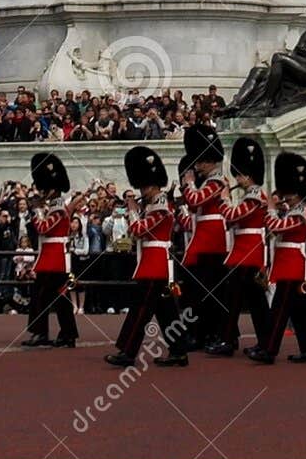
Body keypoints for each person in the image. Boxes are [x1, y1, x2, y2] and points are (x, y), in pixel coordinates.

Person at [106, 145, 187, 368]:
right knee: (166, 311)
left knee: (140, 309)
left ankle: (128, 351)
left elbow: (139, 230)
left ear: (152, 185)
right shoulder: (153, 204)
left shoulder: (161, 205)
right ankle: (179, 351)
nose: (141, 191)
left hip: (155, 263)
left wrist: (132, 210)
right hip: (152, 261)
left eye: (143, 187)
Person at [247, 152, 306, 364]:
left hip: (292, 266)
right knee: (299, 310)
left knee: (279, 310)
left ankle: (269, 350)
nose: (286, 197)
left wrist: (271, 209)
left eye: (290, 194)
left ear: (298, 193)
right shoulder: (295, 210)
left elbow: (276, 227)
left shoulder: (301, 213)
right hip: (288, 264)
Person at [206, 135, 270, 357]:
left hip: (248, 252)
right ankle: (262, 341)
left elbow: (233, 215)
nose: (237, 179)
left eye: (240, 175)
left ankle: (229, 340)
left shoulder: (255, 196)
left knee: (235, 298)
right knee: (252, 299)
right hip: (244, 251)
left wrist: (223, 198)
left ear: (248, 175)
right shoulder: (251, 195)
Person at [21, 152, 79, 348]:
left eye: (45, 189)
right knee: (59, 297)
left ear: (52, 190)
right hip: (51, 257)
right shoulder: (55, 206)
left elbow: (43, 228)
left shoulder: (58, 208)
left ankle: (42, 333)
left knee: (42, 296)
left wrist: (37, 209)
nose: (42, 193)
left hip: (54, 259)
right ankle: (67, 334)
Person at [179, 124, 229, 350]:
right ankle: (200, 332)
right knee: (197, 290)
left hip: (211, 241)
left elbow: (196, 200)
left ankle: (211, 333)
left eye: (200, 162)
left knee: (206, 290)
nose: (197, 166)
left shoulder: (217, 181)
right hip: (203, 237)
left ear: (209, 161)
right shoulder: (209, 181)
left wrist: (189, 183)